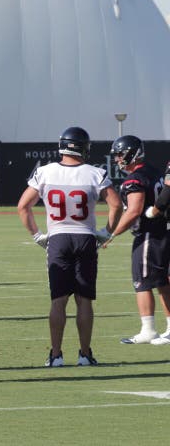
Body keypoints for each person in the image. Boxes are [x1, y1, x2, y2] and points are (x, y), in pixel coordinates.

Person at [17, 126, 121, 367]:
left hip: (58, 238)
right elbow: (116, 205)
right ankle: (85, 354)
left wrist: (37, 235)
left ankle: (56, 355)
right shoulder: (95, 173)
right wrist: (106, 232)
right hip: (85, 237)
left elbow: (23, 206)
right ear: (84, 147)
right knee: (84, 300)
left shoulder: (45, 172)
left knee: (58, 300)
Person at [102, 135, 170, 345]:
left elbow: (133, 211)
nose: (118, 159)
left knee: (142, 282)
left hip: (149, 234)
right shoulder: (154, 171)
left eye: (121, 155)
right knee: (161, 281)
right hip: (163, 232)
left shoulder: (135, 179)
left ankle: (148, 329)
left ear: (133, 153)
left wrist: (112, 235)